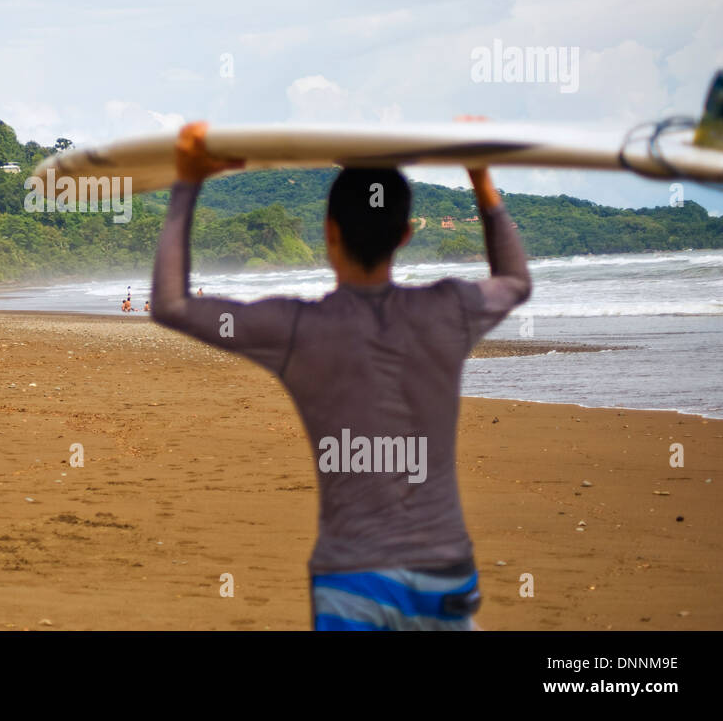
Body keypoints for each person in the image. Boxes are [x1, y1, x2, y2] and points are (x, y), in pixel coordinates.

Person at [151, 122, 531, 631]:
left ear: (328, 231)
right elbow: (514, 281)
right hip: (444, 573)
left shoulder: (297, 330)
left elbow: (172, 304)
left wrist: (187, 183)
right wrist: (480, 176)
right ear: (405, 235)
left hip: (352, 580)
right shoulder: (451, 311)